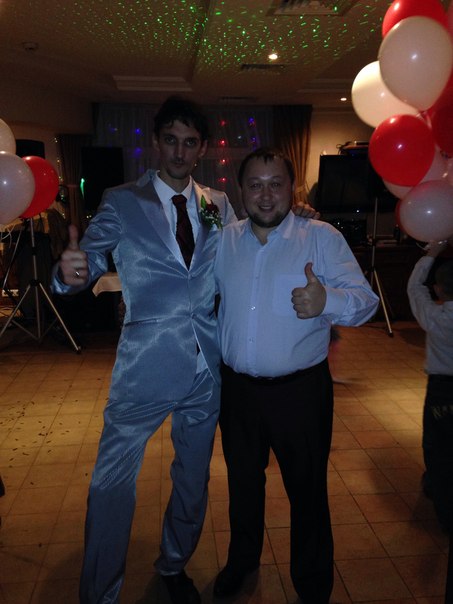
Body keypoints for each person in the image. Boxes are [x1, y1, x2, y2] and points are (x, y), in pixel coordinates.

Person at [52, 96, 238, 604]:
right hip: (145, 364)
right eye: (171, 140)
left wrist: (293, 223)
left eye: (190, 143)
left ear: (202, 149)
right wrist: (71, 273)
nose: (179, 152)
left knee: (193, 478)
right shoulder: (121, 200)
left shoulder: (218, 204)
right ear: (157, 142)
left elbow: (240, 258)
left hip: (206, 366)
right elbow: (88, 258)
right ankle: (100, 592)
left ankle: (174, 563)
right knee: (110, 483)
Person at [213, 147, 379, 603]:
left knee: (307, 492)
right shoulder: (223, 241)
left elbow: (366, 302)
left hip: (301, 393)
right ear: (241, 190)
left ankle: (312, 582)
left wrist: (328, 301)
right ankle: (243, 561)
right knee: (243, 485)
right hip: (238, 393)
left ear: (292, 188)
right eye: (255, 185)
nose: (266, 195)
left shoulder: (320, 237)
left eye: (276, 184)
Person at [407, 239, 453, 526]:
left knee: (438, 445)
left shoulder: (436, 317)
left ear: (438, 289)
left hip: (442, 390)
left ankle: (444, 506)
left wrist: (431, 254)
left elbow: (414, 288)